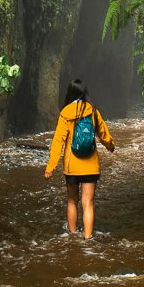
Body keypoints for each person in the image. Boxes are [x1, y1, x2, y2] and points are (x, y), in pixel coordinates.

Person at [44, 78, 115, 239]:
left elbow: (58, 141)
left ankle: (73, 236)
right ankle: (88, 240)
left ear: (70, 92)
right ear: (85, 93)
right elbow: (104, 135)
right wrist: (111, 146)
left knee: (72, 201)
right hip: (91, 165)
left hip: (72, 166)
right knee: (88, 203)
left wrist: (50, 166)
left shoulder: (65, 113)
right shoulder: (93, 112)